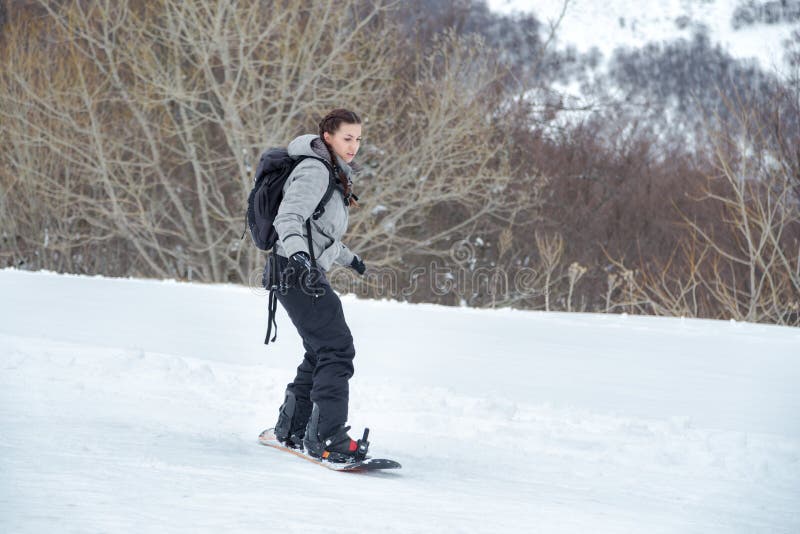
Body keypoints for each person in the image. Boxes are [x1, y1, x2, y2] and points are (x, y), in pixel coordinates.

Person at [262, 108, 369, 462]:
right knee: (337, 348)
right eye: (346, 138)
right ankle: (327, 438)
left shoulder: (331, 172)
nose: (353, 146)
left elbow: (318, 232)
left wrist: (349, 258)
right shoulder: (314, 170)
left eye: (357, 139)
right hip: (295, 270)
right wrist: (300, 258)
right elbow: (288, 218)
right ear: (328, 138)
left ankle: (291, 428)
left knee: (321, 348)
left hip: (295, 268)